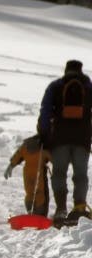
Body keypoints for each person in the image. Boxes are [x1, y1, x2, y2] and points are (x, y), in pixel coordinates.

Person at [38, 60, 92, 223]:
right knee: (81, 175)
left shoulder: (55, 86)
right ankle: (80, 208)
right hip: (82, 139)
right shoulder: (88, 87)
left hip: (60, 138)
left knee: (59, 173)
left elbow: (45, 111)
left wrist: (43, 134)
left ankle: (61, 209)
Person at [4, 134, 51, 216]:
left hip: (27, 174)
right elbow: (53, 159)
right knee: (40, 194)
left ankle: (30, 210)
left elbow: (17, 155)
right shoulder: (43, 148)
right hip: (39, 173)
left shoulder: (26, 145)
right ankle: (40, 213)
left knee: (30, 193)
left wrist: (11, 165)